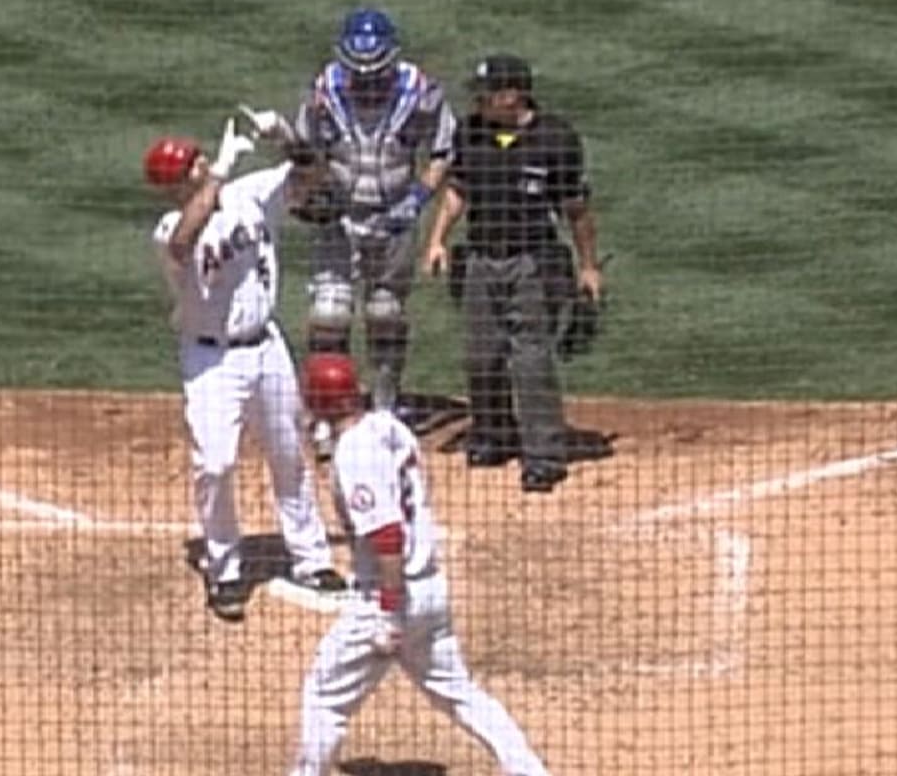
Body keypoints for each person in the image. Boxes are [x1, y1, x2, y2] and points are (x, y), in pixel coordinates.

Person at [285, 353, 554, 776]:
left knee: (325, 696)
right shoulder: (389, 427)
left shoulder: (354, 453)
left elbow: (388, 536)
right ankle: (530, 771)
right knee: (460, 692)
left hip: (388, 598)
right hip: (430, 592)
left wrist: (389, 613)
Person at [144, 117, 347, 623]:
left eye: (199, 156)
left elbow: (313, 175)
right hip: (210, 361)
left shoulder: (249, 195)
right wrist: (222, 170)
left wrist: (287, 136)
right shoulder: (168, 229)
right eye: (192, 163)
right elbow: (185, 242)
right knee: (214, 464)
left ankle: (312, 558)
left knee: (288, 454)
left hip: (267, 348)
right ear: (175, 184)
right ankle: (225, 566)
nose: (202, 160)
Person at [246, 7, 457, 434]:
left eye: (374, 72)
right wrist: (310, 193)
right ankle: (327, 409)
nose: (366, 81)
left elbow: (443, 152)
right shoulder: (323, 93)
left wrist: (416, 200)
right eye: (358, 72)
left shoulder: (422, 93)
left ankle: (384, 405)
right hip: (338, 217)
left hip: (395, 216)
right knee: (329, 313)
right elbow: (306, 156)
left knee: (385, 311)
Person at [422, 53, 604, 491]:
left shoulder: (555, 139)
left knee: (530, 358)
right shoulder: (471, 133)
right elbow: (457, 191)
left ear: (511, 95)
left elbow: (576, 209)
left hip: (533, 261)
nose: (478, 102)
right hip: (480, 258)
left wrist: (588, 266)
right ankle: (494, 434)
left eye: (486, 94)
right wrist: (437, 241)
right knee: (481, 355)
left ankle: (543, 455)